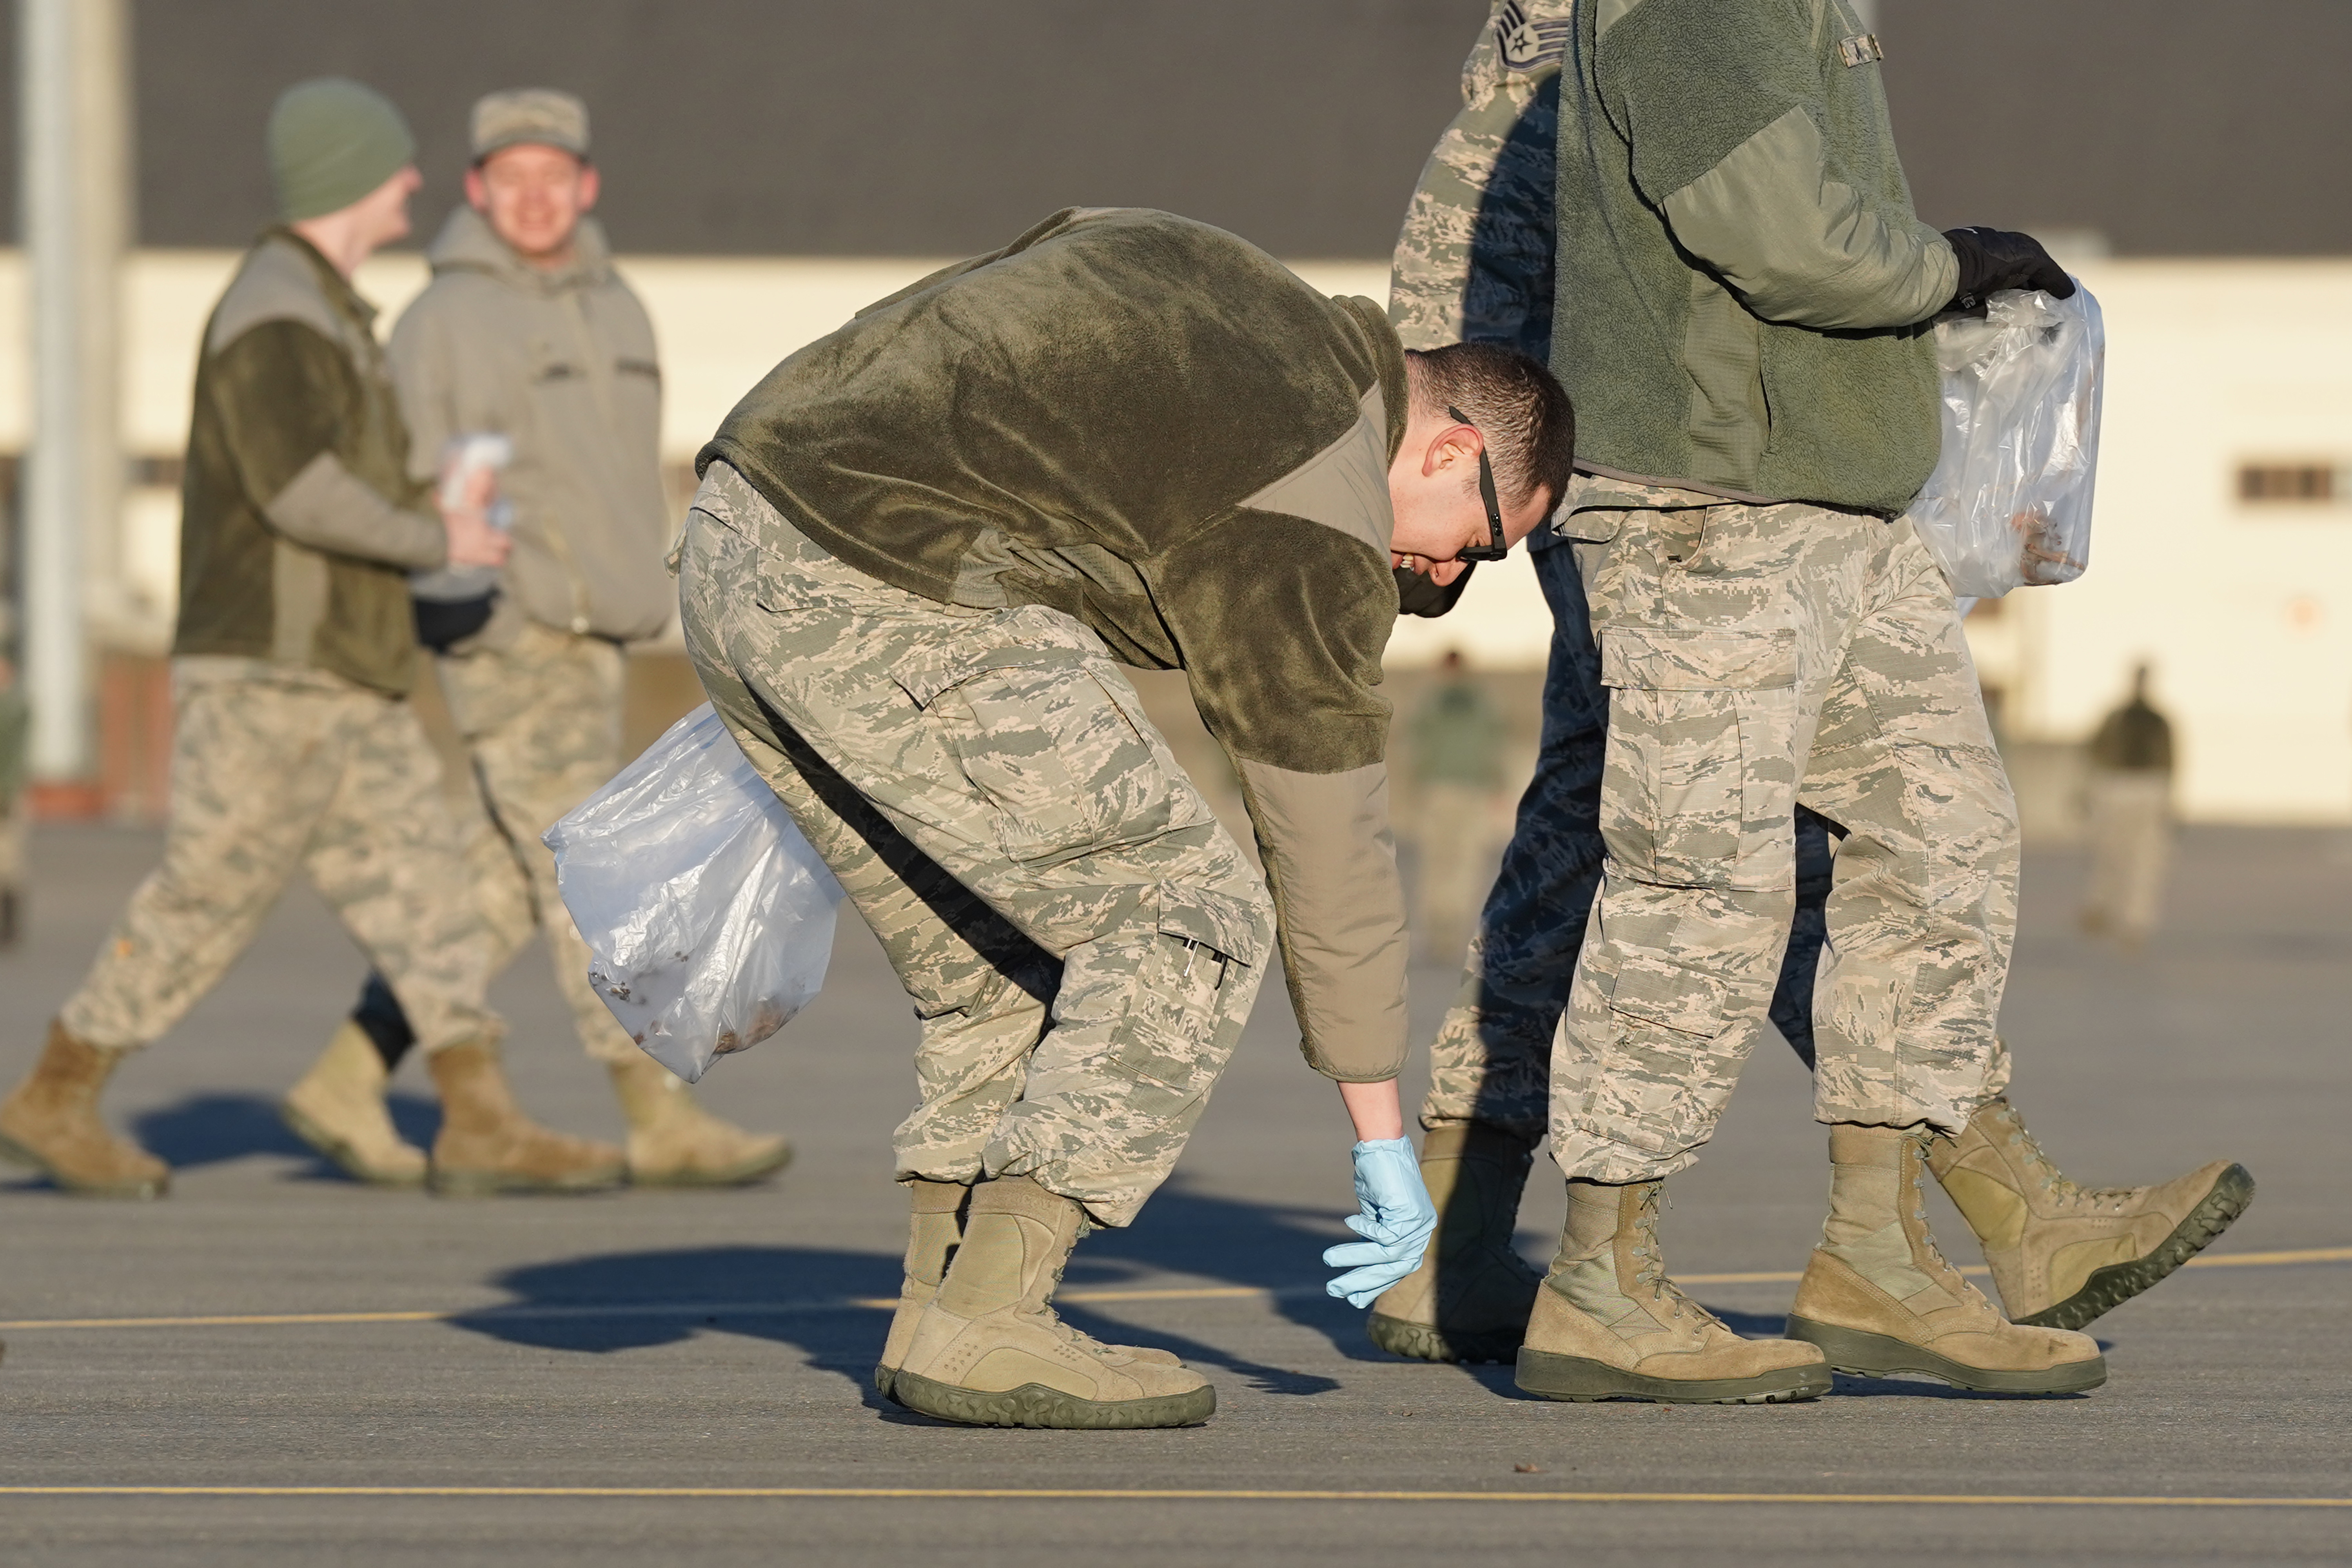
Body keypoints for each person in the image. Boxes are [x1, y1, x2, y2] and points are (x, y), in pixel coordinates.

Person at [1372, 0, 2250, 1400]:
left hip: (1804, 489)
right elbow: (1696, 246)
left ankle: (1908, 1236)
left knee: (1926, 833)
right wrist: (1450, 510)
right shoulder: (1630, 43)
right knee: (1683, 858)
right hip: (1685, 491)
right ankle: (1541, 1253)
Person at [676, 206, 1571, 1428]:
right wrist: (1379, 1145)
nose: (1444, 577)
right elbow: (1328, 849)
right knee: (1185, 915)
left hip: (737, 528)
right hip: (890, 573)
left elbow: (1009, 279)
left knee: (1002, 961)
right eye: (1479, 544)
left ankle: (939, 1308)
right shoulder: (1319, 493)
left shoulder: (1234, 283)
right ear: (1448, 448)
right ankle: (991, 1316)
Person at [0, 79, 623, 1200]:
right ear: (351, 178)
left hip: (350, 671)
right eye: (397, 167)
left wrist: (434, 510)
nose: (416, 182)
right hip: (271, 678)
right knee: (208, 895)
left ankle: (479, 1117)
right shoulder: (275, 314)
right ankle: (58, 1091)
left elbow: (354, 481)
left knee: (427, 893)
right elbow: (300, 489)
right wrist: (436, 535)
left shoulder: (328, 310)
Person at [278, 89, 789, 1189]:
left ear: (586, 184)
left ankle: (348, 1071)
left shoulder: (620, 307)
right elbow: (427, 478)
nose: (534, 197)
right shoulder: (444, 321)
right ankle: (655, 1112)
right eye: (510, 178)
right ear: (476, 190)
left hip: (599, 631)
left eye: (553, 175)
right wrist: (484, 596)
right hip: (512, 629)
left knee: (506, 877)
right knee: (586, 873)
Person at [1406, 649, 1511, 960]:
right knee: (1460, 861)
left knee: (1442, 860)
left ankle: (1441, 929)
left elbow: (1416, 745)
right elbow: (1495, 745)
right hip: (1466, 789)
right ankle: (1448, 930)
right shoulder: (1481, 700)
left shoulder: (1432, 699)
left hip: (1445, 789)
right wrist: (1499, 785)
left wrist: (1416, 783)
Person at [2080, 662, 2175, 951]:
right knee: (2118, 853)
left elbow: (2168, 760)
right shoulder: (2126, 717)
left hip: (2137, 788)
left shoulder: (2151, 719)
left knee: (2138, 857)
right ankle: (2110, 909)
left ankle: (2130, 919)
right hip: (2124, 786)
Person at [0, 656, 27, 948]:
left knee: (8, 863)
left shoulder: (14, 707)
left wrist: (6, 791)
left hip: (6, 795)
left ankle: (9, 928)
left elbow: (14, 758)